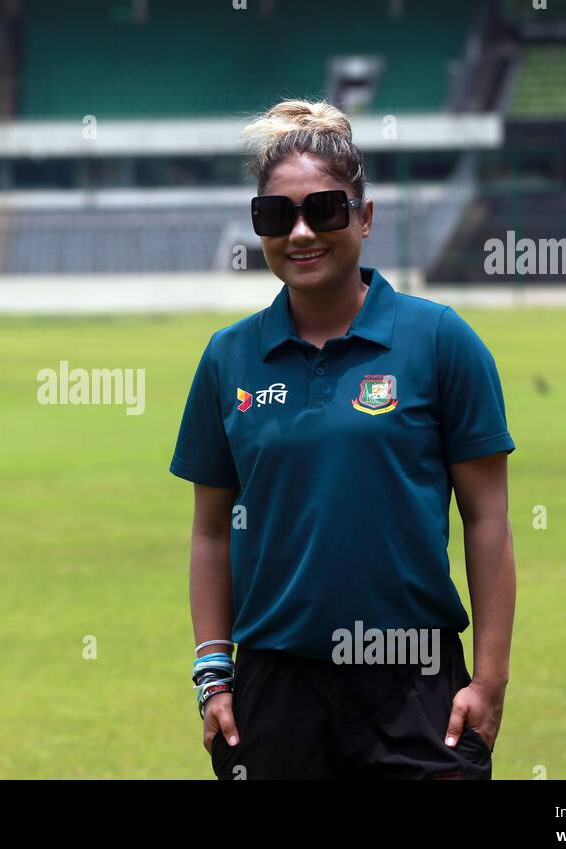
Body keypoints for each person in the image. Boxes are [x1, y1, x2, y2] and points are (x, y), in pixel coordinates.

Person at [172, 99, 517, 779]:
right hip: (274, 686)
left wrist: (491, 679)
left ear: (364, 215)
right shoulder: (228, 357)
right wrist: (213, 674)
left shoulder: (440, 340)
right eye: (276, 216)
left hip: (414, 681)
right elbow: (211, 533)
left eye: (324, 210)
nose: (301, 233)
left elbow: (488, 521)